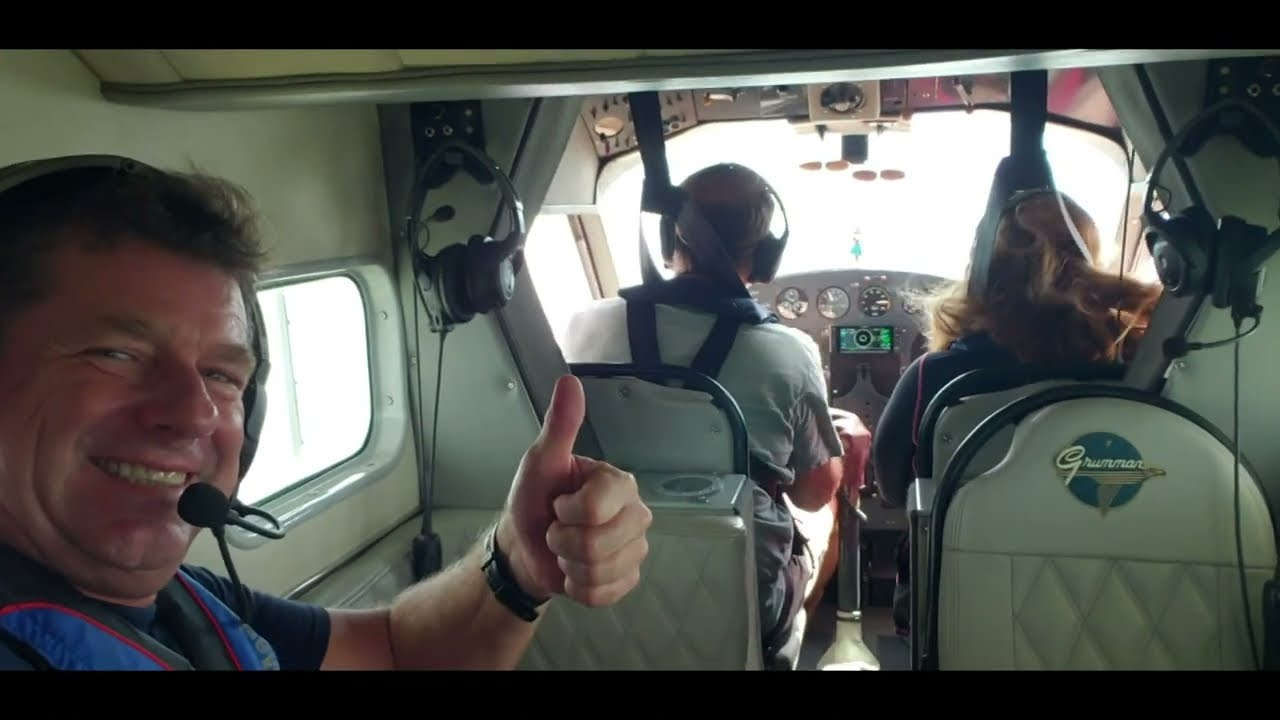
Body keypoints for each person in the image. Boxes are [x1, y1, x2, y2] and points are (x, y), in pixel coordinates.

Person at [0, 155, 653, 670]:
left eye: (223, 376)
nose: (196, 413)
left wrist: (515, 562)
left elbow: (397, 653)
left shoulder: (181, 599)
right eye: (116, 352)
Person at [561, 162, 869, 661]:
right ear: (767, 255)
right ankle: (774, 642)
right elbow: (811, 495)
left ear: (669, 237)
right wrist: (845, 447)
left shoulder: (582, 325)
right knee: (828, 511)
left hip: (599, 561)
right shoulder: (786, 351)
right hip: (738, 582)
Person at [872, 188, 1162, 632]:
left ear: (984, 270)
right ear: (1089, 260)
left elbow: (893, 491)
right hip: (1115, 593)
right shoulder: (1139, 369)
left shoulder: (933, 377)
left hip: (961, 609)